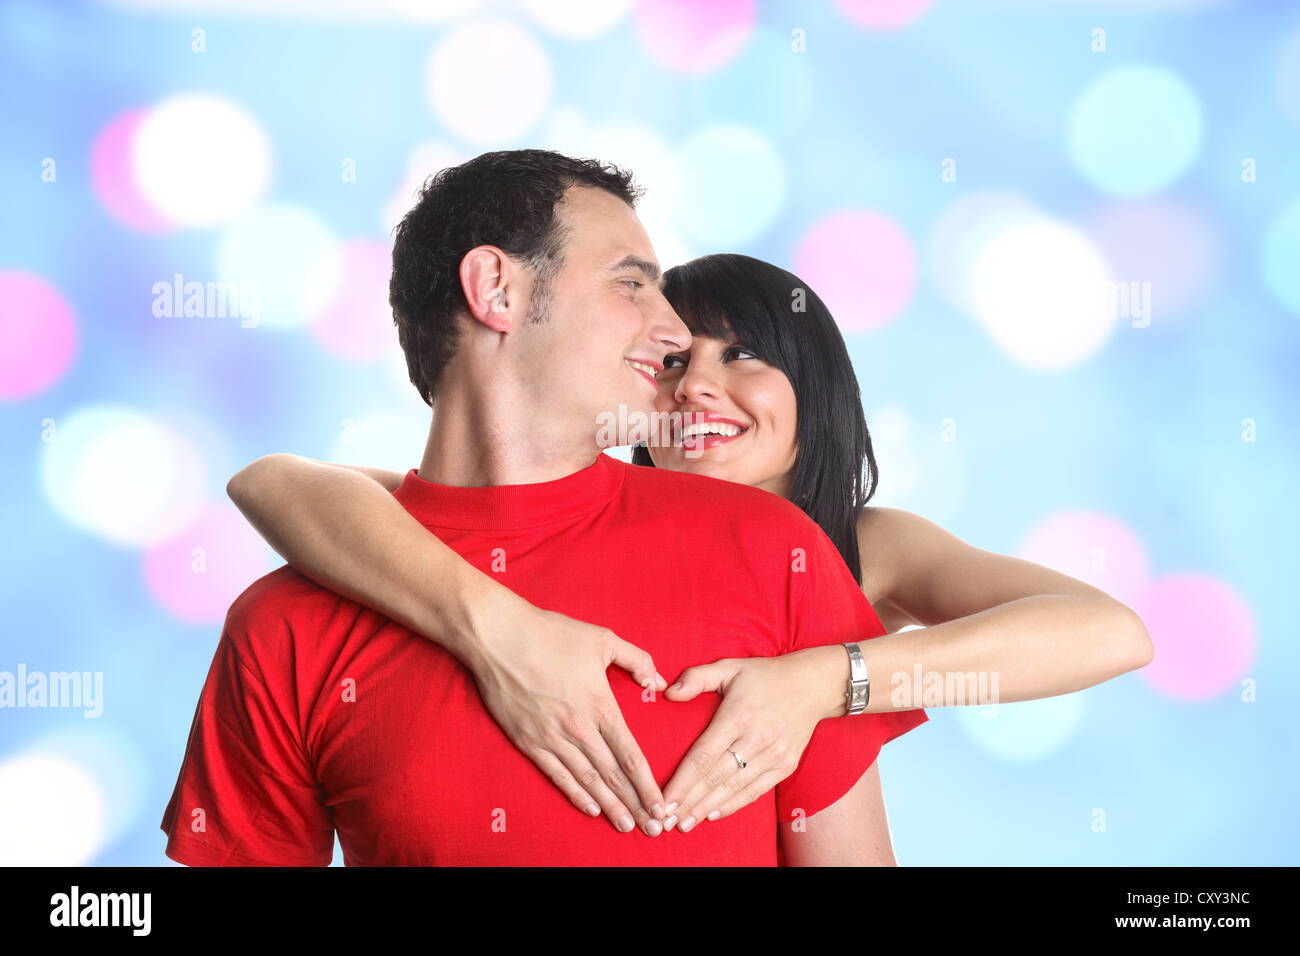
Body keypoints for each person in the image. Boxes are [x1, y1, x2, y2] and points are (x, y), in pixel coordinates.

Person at [223, 235, 1155, 844]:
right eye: (672, 363)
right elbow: (287, 486)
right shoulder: (573, 527)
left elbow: (1110, 632)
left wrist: (824, 680)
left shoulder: (867, 548)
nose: (696, 388)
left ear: (812, 384)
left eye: (740, 354)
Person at [160, 149, 928, 866]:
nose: (671, 335)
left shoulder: (770, 551)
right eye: (631, 284)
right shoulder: (285, 626)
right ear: (496, 289)